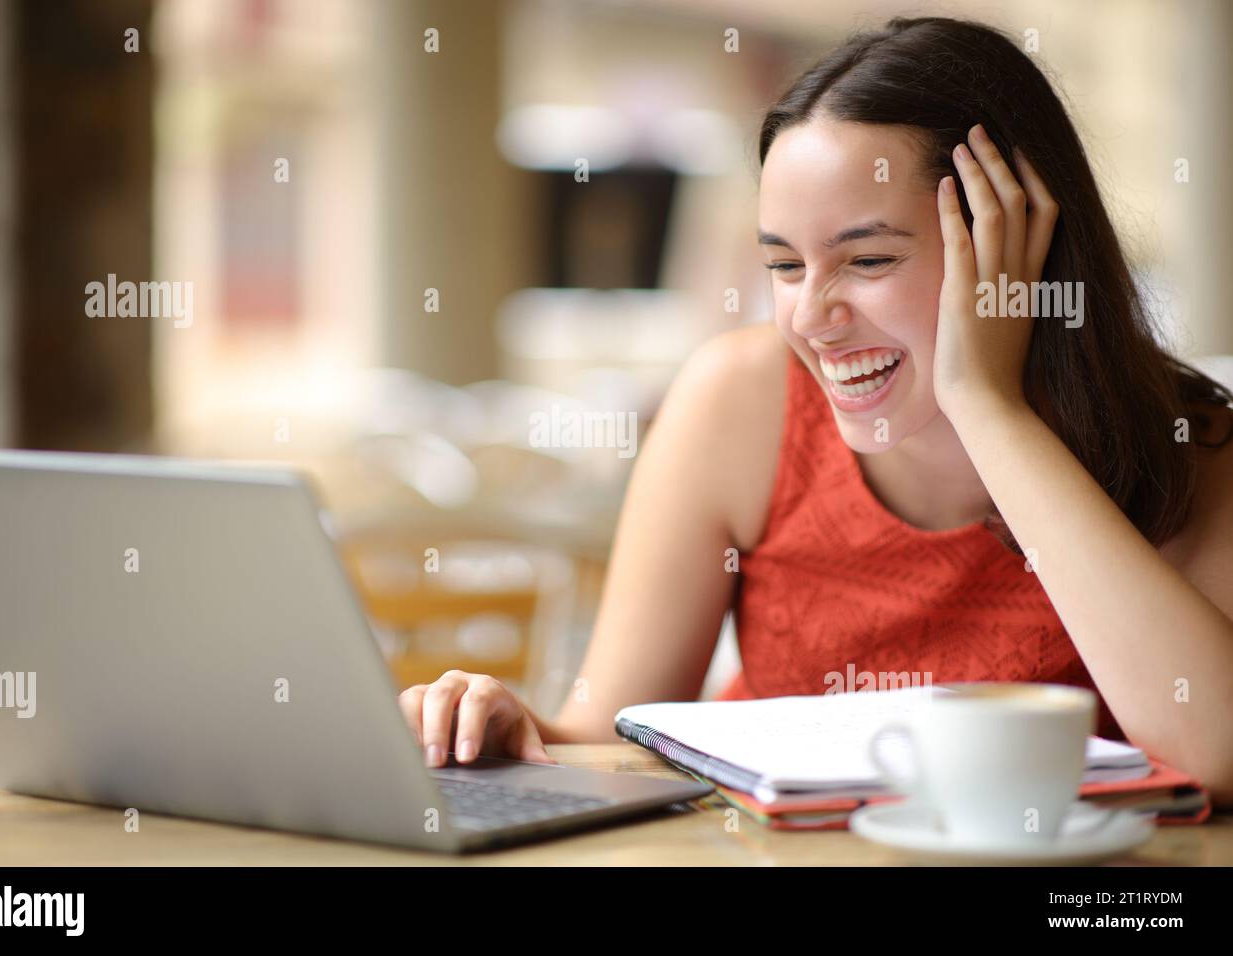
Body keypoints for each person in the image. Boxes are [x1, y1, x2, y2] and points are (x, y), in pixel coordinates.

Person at [396, 16, 1233, 805]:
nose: (811, 316)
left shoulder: (1192, 447)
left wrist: (987, 404)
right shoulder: (739, 403)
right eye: (787, 266)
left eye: (867, 258)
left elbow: (1219, 755)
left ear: (1018, 245)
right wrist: (502, 727)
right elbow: (600, 734)